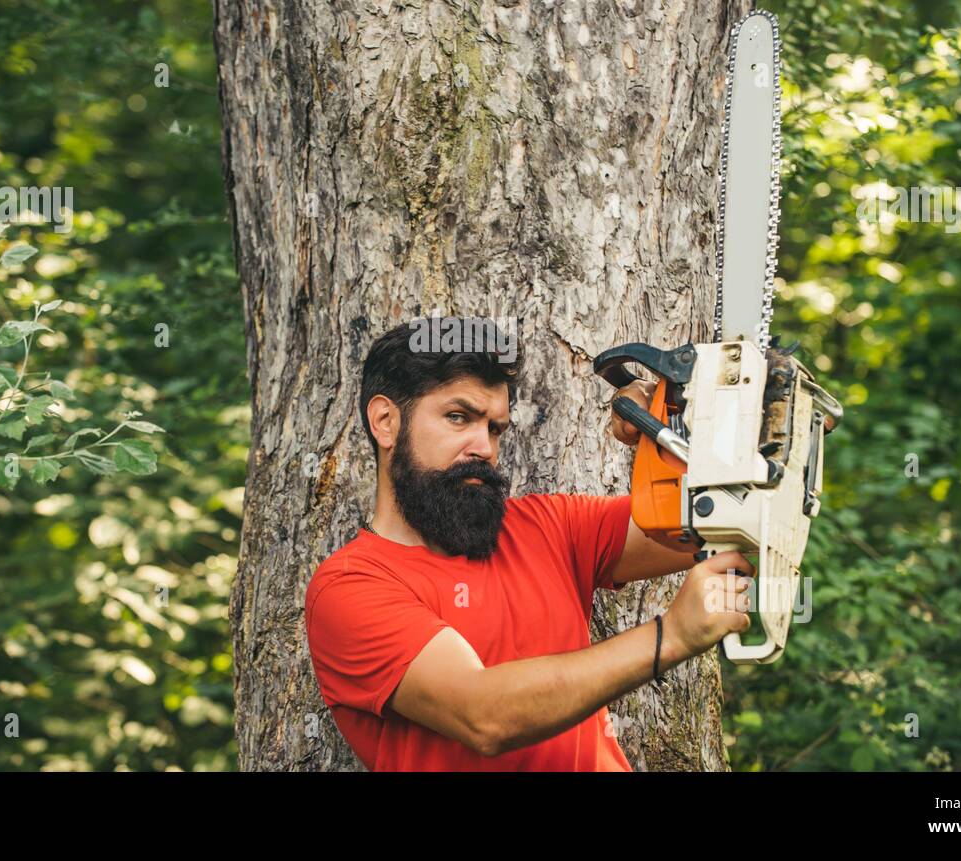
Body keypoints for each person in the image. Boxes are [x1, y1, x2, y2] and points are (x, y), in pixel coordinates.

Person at [303, 318, 754, 770]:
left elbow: (724, 517)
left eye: (495, 428)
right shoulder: (350, 587)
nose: (484, 446)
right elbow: (485, 714)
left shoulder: (545, 527)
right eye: (458, 417)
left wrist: (673, 422)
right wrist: (670, 636)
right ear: (385, 422)